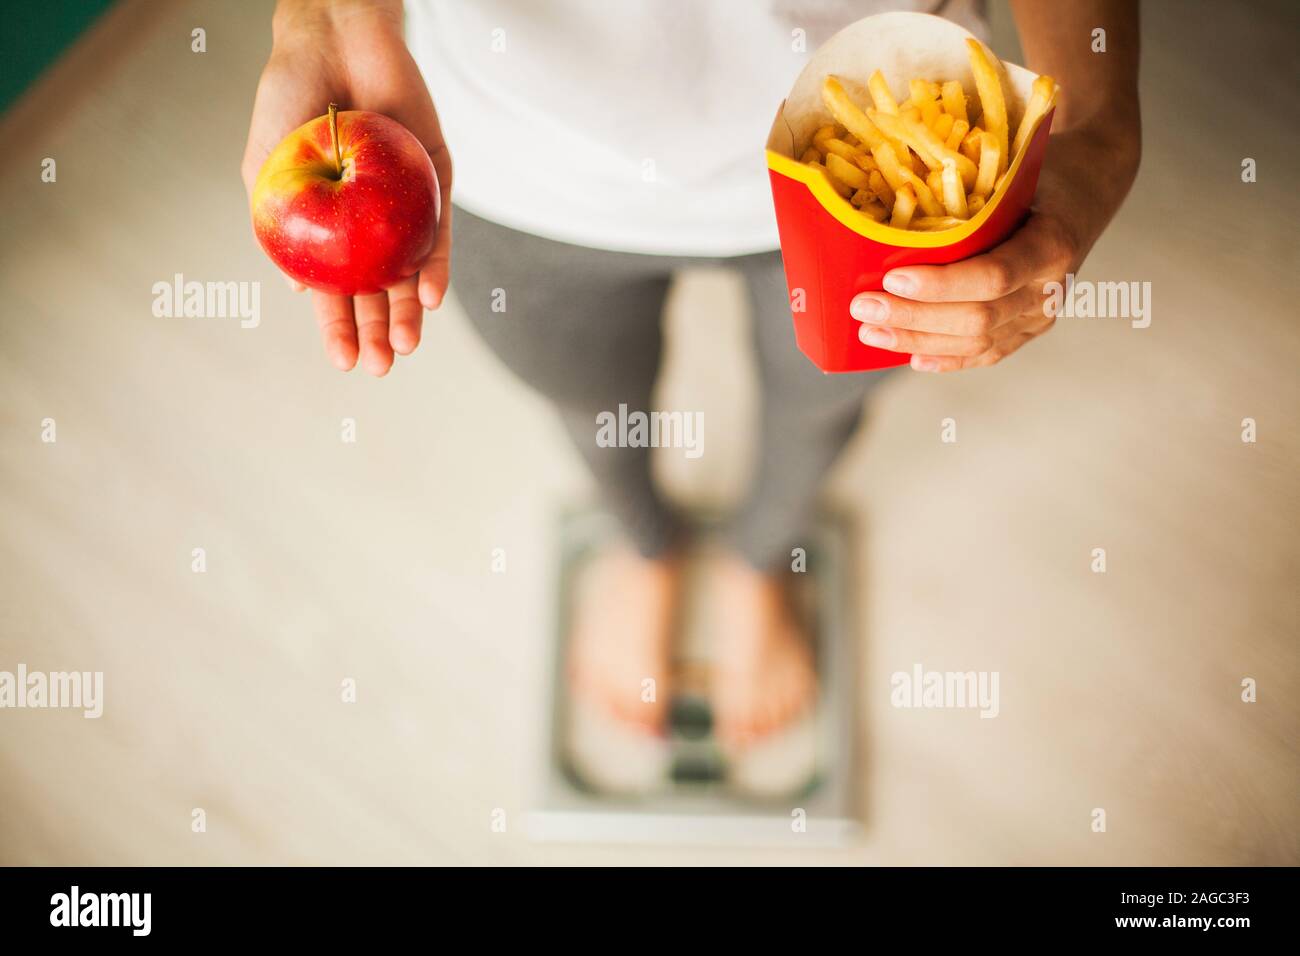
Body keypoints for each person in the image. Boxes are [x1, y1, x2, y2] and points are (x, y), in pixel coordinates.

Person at [241, 0, 1140, 751]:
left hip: (880, 135)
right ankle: (644, 546)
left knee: (818, 410)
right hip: (498, 154)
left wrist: (1100, 131)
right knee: (590, 402)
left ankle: (760, 560)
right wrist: (320, 18)